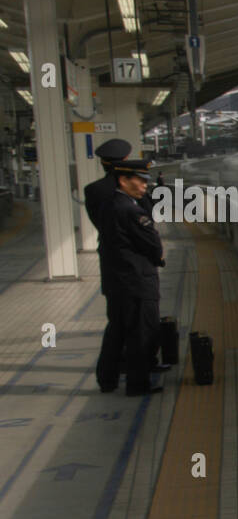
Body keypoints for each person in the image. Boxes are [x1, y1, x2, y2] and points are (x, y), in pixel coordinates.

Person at [102, 160, 166, 396]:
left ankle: (106, 379)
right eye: (140, 181)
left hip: (118, 281)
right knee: (142, 333)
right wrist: (158, 254)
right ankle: (138, 385)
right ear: (123, 181)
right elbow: (153, 244)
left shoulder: (111, 205)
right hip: (137, 282)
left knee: (117, 331)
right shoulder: (130, 210)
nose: (144, 186)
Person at [88, 139, 132, 392]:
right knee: (132, 323)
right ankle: (122, 373)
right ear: (124, 162)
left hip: (111, 264)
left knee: (117, 321)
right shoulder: (129, 190)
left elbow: (101, 226)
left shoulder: (92, 190)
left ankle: (112, 375)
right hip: (133, 268)